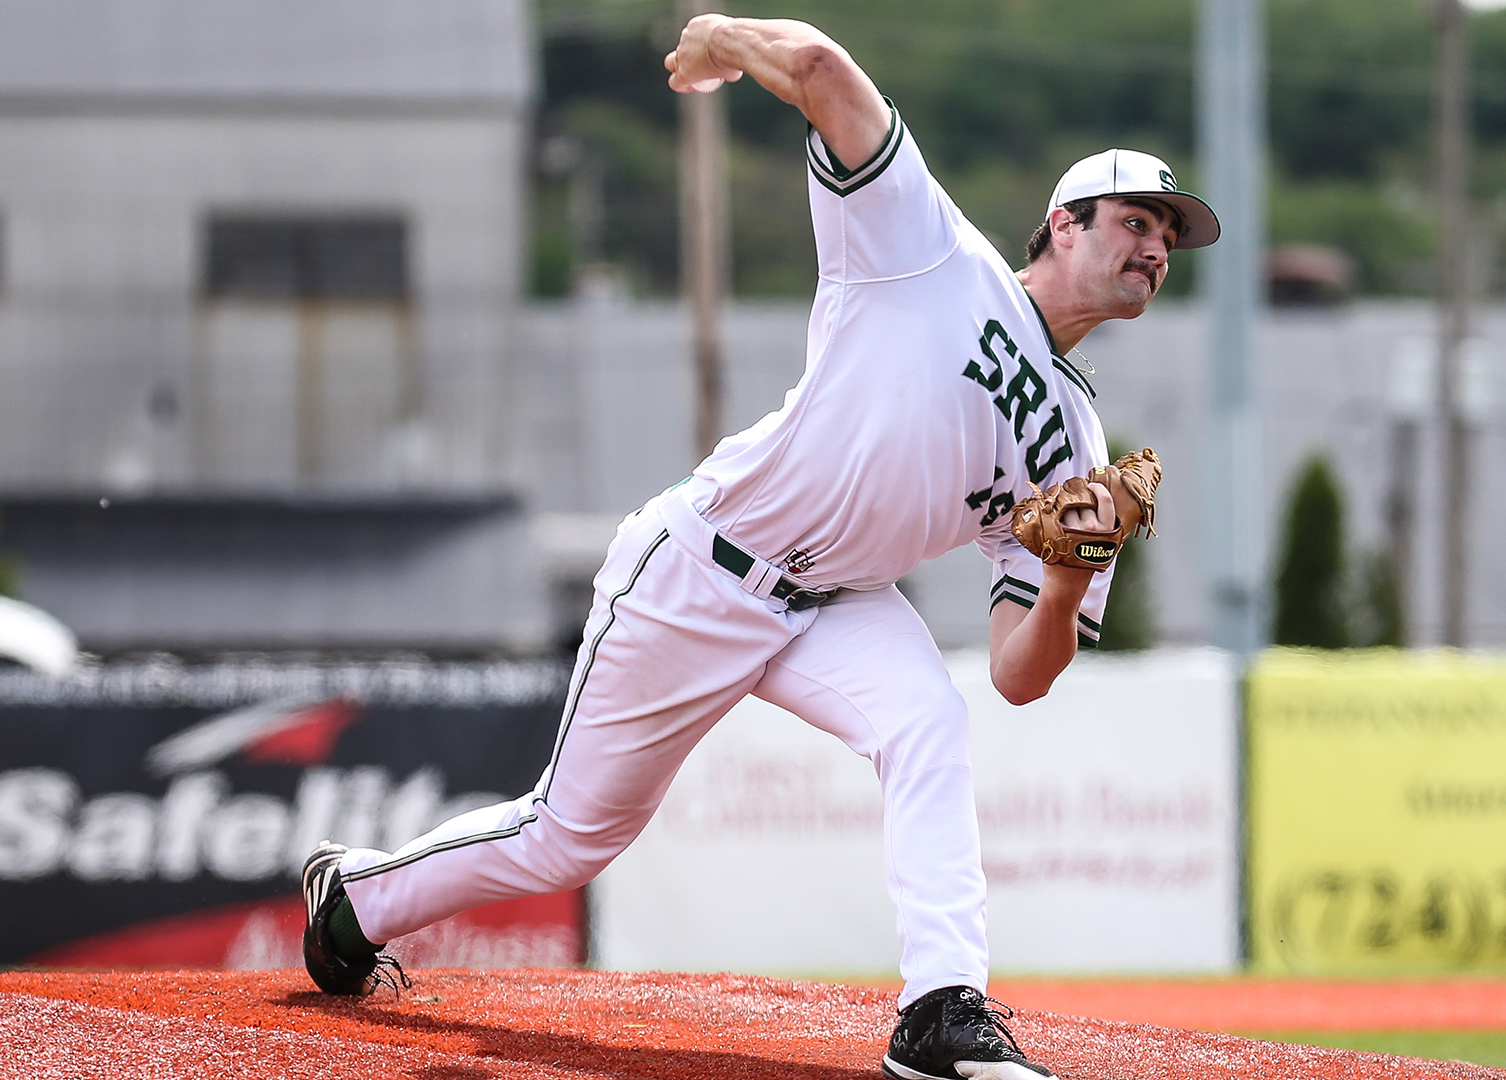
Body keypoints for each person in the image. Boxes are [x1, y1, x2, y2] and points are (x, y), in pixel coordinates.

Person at [301, 15, 1219, 1080]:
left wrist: (1064, 583)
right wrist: (725, 36)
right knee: (569, 836)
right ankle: (357, 898)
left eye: (1169, 235)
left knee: (930, 720)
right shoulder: (928, 248)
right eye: (1135, 219)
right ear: (1062, 223)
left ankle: (941, 1014)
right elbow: (826, 73)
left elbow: (1021, 675)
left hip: (838, 602)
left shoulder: (1075, 442)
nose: (1154, 246)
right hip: (704, 565)